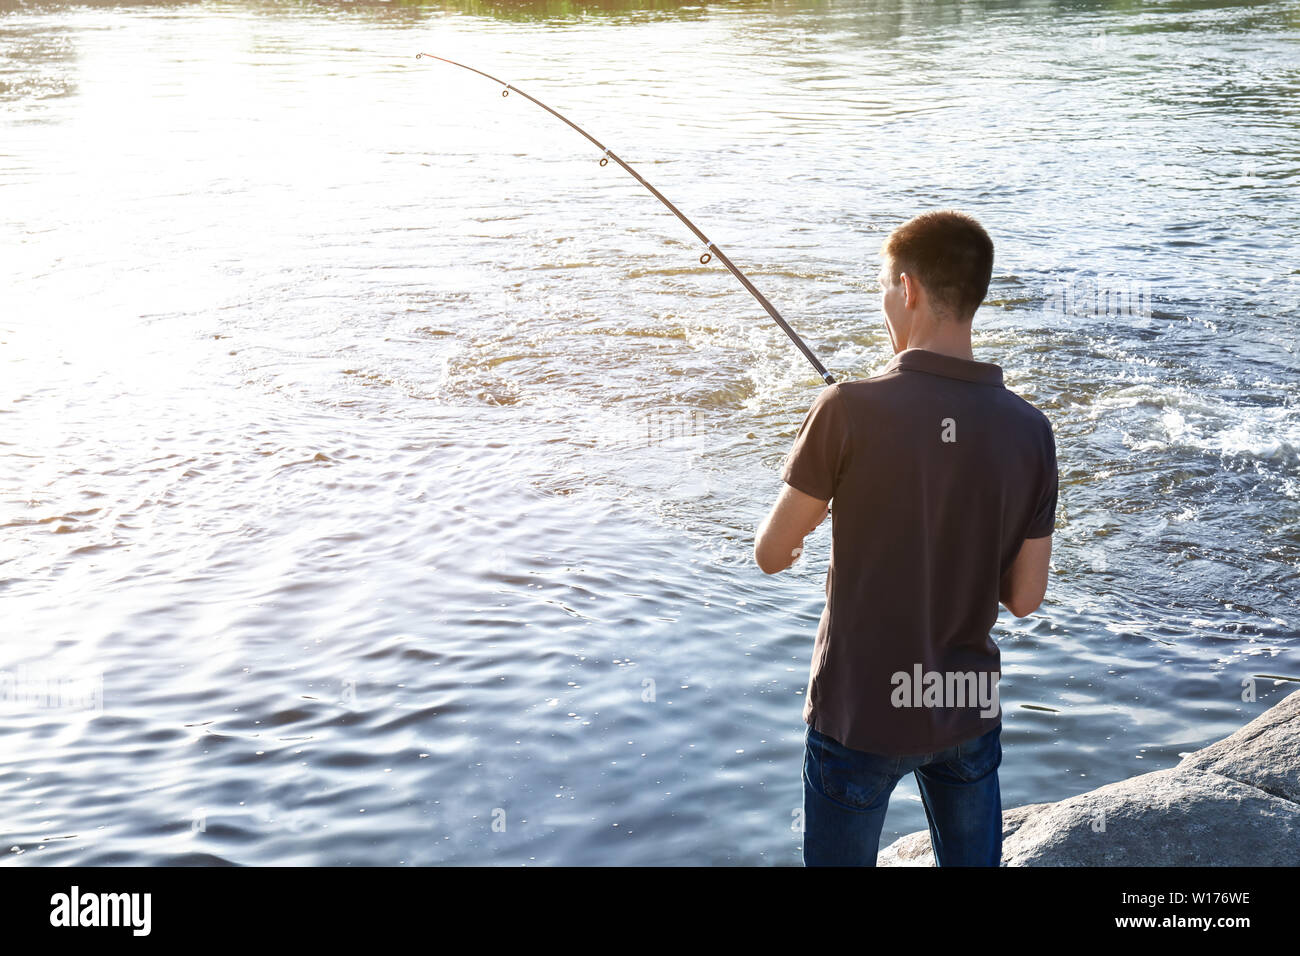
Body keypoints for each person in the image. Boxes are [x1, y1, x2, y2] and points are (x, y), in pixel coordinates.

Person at [753, 210, 1058, 866]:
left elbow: (771, 554)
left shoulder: (846, 410)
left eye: (885, 289)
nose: (885, 304)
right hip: (964, 706)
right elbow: (1025, 598)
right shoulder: (1031, 430)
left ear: (909, 288)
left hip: (861, 711)